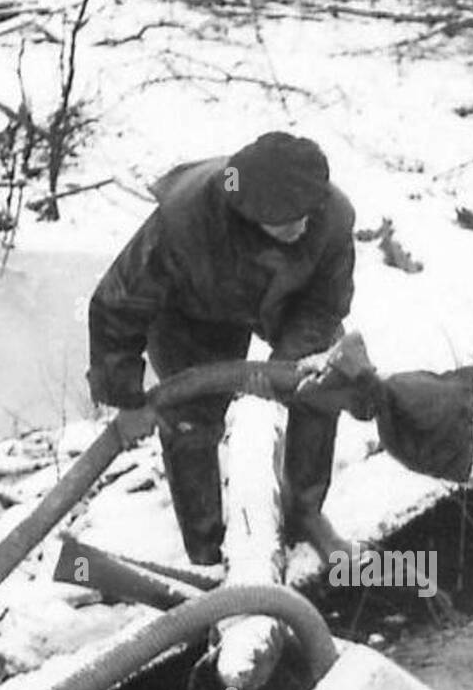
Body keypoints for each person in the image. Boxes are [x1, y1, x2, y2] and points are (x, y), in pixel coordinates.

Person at [86, 131, 356, 567]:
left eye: (307, 215)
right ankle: (206, 547)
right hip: (191, 310)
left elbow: (325, 305)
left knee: (320, 380)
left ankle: (305, 510)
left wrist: (286, 368)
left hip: (288, 300)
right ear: (253, 214)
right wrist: (124, 397)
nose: (302, 226)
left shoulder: (332, 216)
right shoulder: (185, 221)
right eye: (288, 220)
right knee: (191, 420)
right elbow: (117, 305)